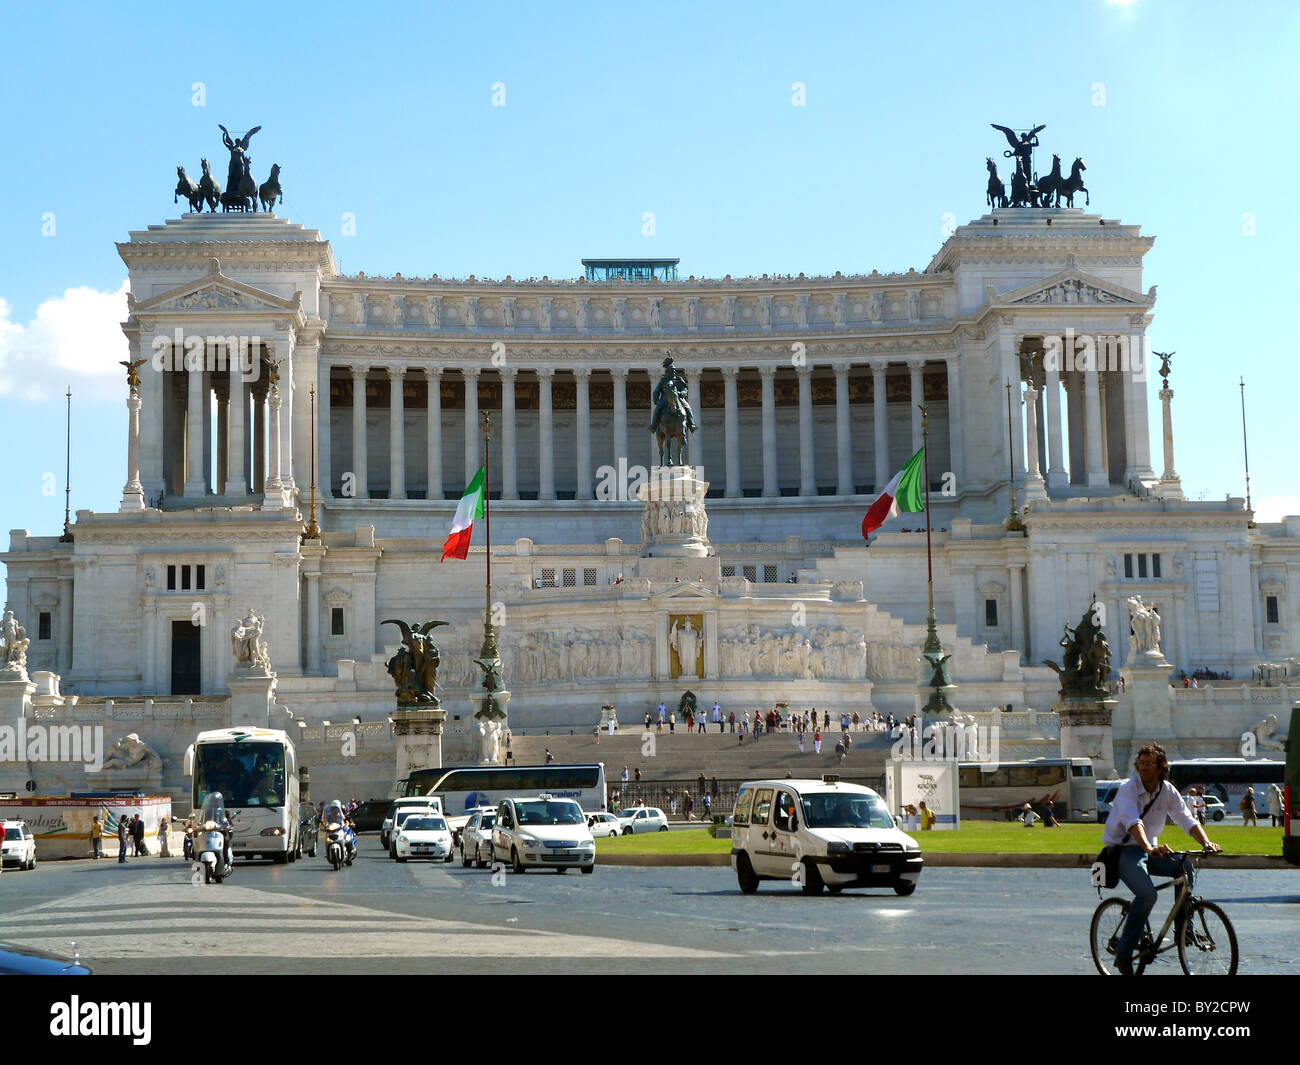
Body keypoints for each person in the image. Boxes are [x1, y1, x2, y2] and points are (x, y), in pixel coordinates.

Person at [1103, 742, 1219, 976]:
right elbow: (1133, 821)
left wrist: (1206, 843)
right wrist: (1148, 847)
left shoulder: (1168, 791)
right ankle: (1124, 954)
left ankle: (1183, 927)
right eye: (1141, 763)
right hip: (1124, 850)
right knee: (1147, 894)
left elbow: (1187, 820)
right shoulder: (1128, 789)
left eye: (1149, 763)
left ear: (1161, 768)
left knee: (1185, 866)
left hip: (1150, 848)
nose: (1143, 767)